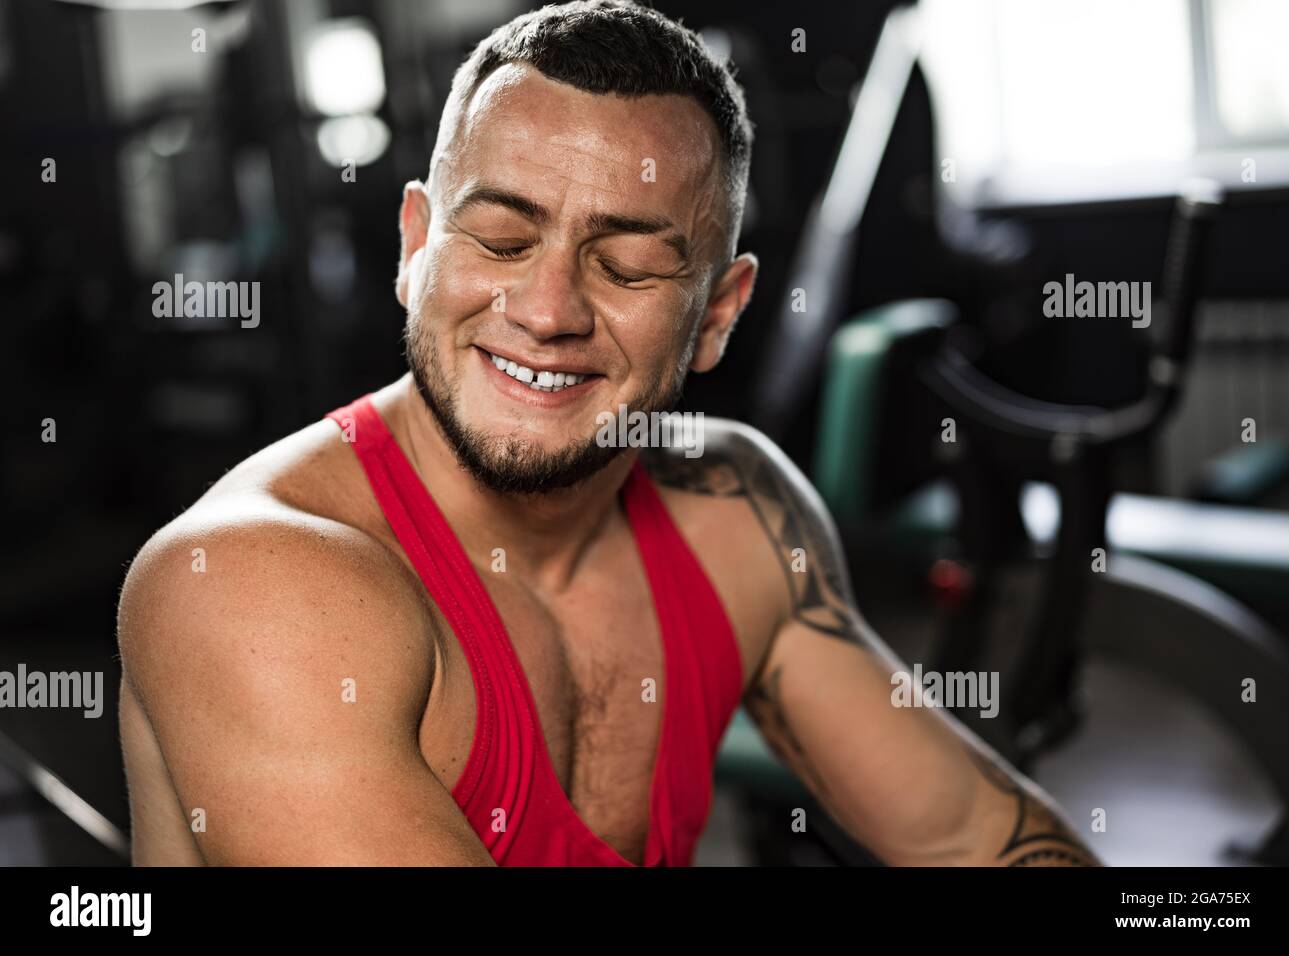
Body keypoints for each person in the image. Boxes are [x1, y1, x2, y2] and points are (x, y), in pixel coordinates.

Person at [116, 0, 1099, 867]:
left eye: (627, 266)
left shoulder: (735, 515)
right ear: (416, 249)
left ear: (717, 313)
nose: (547, 310)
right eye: (501, 240)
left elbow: (973, 835)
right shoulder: (253, 580)